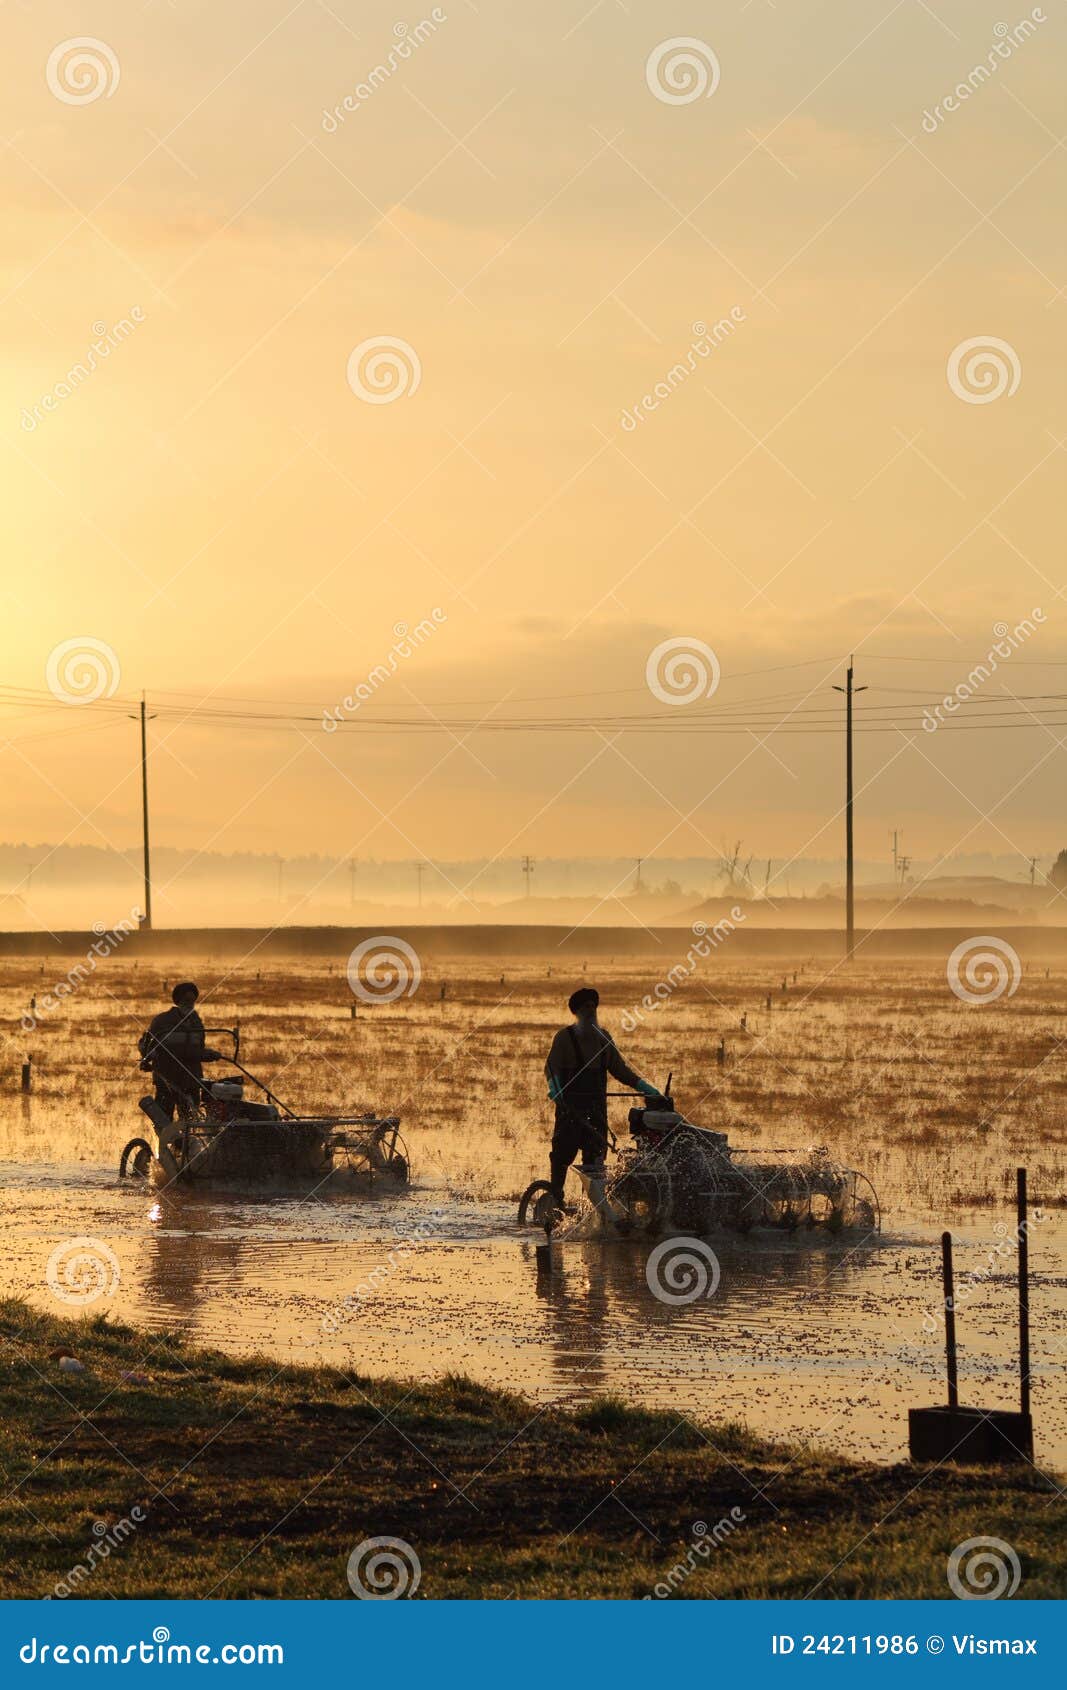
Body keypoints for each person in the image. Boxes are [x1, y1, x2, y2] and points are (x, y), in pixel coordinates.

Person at [544, 987, 664, 1206]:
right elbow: (551, 1069)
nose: (590, 1011)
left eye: (593, 1006)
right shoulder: (564, 1038)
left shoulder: (603, 1039)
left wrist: (644, 1087)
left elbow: (620, 1069)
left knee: (595, 1163)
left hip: (596, 1110)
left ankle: (589, 1208)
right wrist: (555, 1089)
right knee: (562, 1156)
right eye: (585, 1007)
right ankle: (555, 1199)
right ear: (576, 1012)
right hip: (570, 1109)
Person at [139, 982, 222, 1119]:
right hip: (167, 1078)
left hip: (191, 1079)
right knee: (164, 1120)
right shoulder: (162, 1021)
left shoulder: (196, 1022)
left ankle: (185, 1141)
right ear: (178, 1000)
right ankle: (167, 1139)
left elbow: (198, 1050)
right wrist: (147, 1056)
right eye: (186, 1000)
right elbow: (145, 1043)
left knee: (191, 1119)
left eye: (192, 1000)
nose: (189, 1003)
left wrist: (210, 1054)